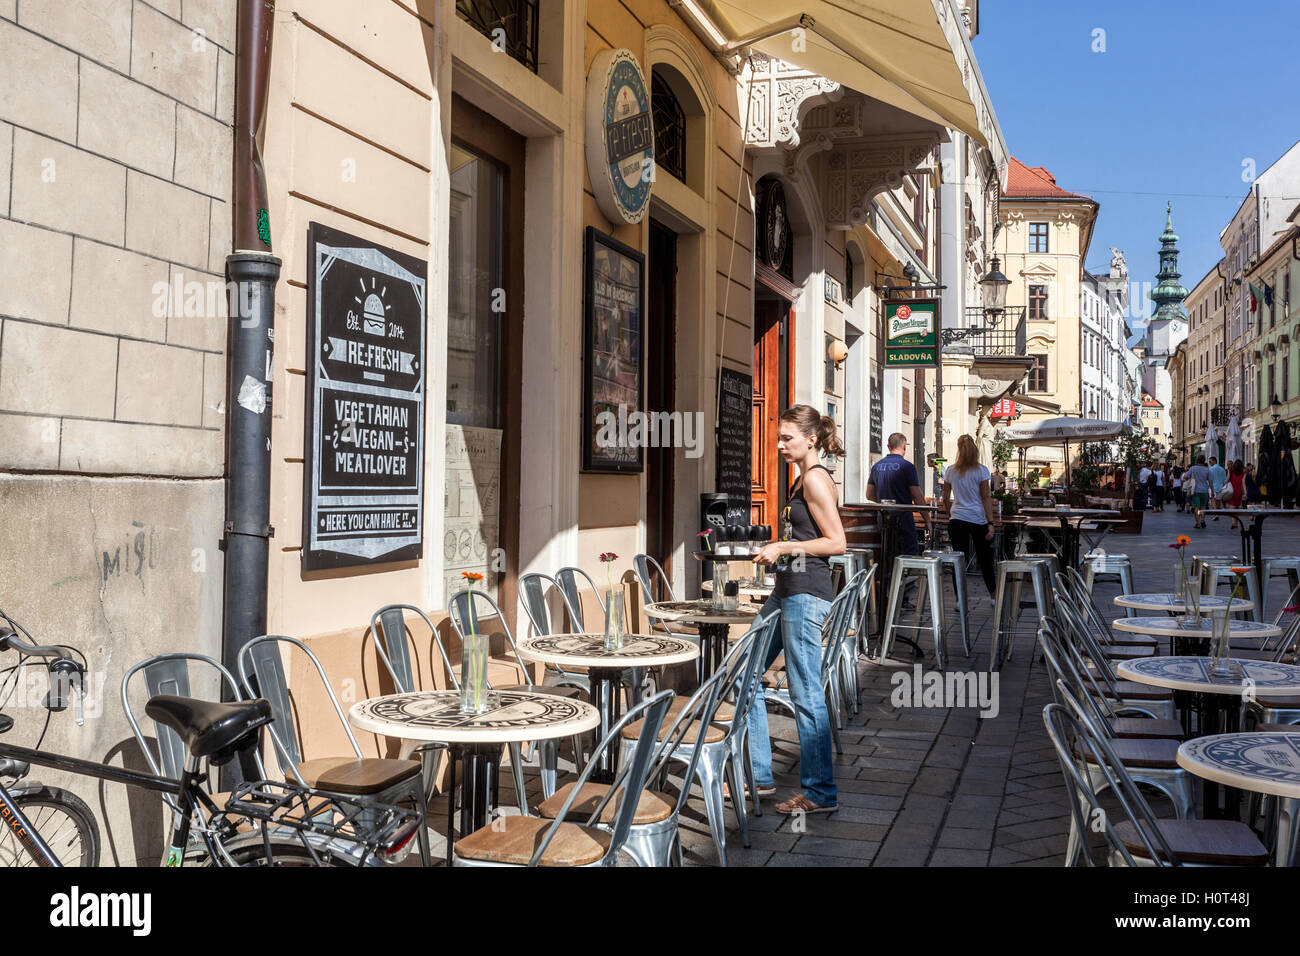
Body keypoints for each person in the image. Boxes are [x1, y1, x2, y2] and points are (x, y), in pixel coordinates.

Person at [750, 405, 847, 816]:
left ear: (811, 439)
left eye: (786, 438)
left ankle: (819, 792)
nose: (779, 444)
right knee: (745, 673)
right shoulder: (801, 480)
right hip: (787, 590)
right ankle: (759, 775)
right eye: (779, 437)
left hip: (805, 595)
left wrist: (784, 547)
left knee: (806, 692)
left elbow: (837, 543)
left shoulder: (815, 480)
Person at [940, 435, 998, 595]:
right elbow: (986, 497)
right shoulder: (982, 470)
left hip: (957, 519)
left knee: (959, 560)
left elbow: (945, 498)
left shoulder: (951, 470)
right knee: (985, 558)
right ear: (975, 450)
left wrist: (949, 512)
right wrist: (990, 523)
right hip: (977, 519)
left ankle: (959, 600)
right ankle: (993, 596)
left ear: (959, 450)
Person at [1185, 455, 1211, 529]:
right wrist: (1212, 491)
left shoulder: (1193, 468)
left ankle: (1198, 523)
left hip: (1195, 490)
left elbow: (1186, 477)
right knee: (1203, 507)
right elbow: (1210, 481)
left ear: (1197, 460)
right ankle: (1203, 520)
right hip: (1205, 490)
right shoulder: (1207, 469)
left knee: (1196, 506)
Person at [1225, 459, 1246, 530]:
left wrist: (1224, 486)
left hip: (1232, 491)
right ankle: (1236, 523)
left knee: (1231, 508)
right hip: (1239, 492)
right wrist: (1245, 493)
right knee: (1237, 508)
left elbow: (1227, 480)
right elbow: (1243, 483)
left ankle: (1234, 523)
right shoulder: (1243, 473)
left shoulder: (1231, 471)